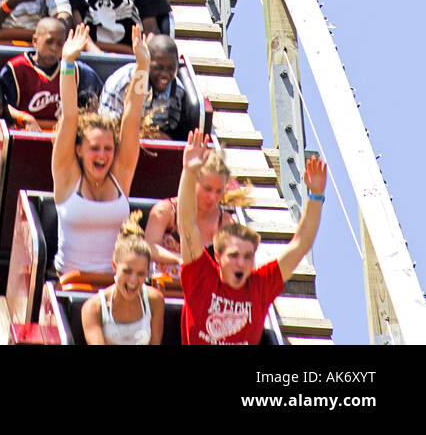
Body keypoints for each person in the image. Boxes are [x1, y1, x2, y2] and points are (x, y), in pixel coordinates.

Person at [177, 130, 328, 345]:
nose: (242, 263)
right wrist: (189, 172)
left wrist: (315, 196)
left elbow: (301, 244)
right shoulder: (202, 278)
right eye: (234, 255)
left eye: (248, 256)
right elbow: (186, 225)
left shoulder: (259, 286)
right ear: (218, 257)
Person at [52, 23, 150, 285]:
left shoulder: (120, 175)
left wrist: (142, 67)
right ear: (79, 149)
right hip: (73, 282)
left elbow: (131, 116)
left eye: (108, 148)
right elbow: (70, 115)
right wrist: (68, 62)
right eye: (94, 148)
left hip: (117, 285)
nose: (103, 155)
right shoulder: (67, 176)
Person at [145, 142, 237, 276]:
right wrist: (180, 259)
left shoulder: (225, 222)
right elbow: (148, 247)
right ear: (193, 182)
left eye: (219, 191)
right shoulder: (167, 211)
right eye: (207, 189)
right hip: (167, 288)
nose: (212, 197)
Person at [0, 17, 103, 130]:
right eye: (49, 42)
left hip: (64, 136)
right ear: (35, 41)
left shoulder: (77, 70)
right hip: (25, 133)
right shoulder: (16, 68)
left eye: (60, 44)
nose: (54, 48)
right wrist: (25, 118)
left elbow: (97, 102)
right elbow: (4, 106)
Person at [81, 215, 164, 346]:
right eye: (127, 271)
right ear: (115, 266)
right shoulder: (92, 308)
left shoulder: (155, 300)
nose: (133, 280)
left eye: (141, 273)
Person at [100, 34, 189, 139]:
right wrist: (147, 135)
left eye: (171, 68)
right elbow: (107, 128)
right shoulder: (121, 83)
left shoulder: (178, 91)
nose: (165, 74)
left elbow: (169, 133)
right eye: (158, 68)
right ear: (147, 62)